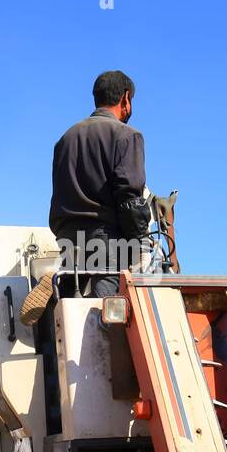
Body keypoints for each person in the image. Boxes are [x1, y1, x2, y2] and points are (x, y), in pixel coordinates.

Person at [48, 70, 150, 297]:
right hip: (106, 239)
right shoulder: (127, 135)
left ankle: (53, 297)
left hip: (68, 238)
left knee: (69, 307)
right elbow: (129, 199)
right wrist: (141, 245)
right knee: (107, 315)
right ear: (126, 98)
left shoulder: (65, 140)